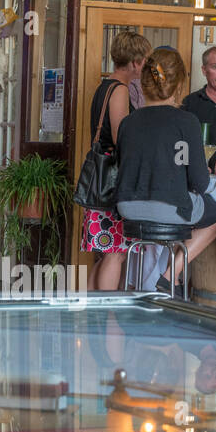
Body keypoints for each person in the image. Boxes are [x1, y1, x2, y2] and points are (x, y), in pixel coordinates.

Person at [115, 48, 216, 292]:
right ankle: (169, 276)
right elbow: (200, 183)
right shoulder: (186, 122)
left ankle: (156, 277)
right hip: (170, 209)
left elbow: (127, 166)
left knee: (184, 211)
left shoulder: (128, 123)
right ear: (179, 86)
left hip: (128, 208)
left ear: (144, 84)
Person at [80, 30, 152, 291]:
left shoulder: (104, 86)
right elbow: (122, 138)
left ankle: (87, 309)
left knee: (106, 251)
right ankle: (109, 311)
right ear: (135, 62)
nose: (145, 66)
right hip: (112, 181)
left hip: (100, 178)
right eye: (144, 60)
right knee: (115, 252)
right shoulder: (120, 90)